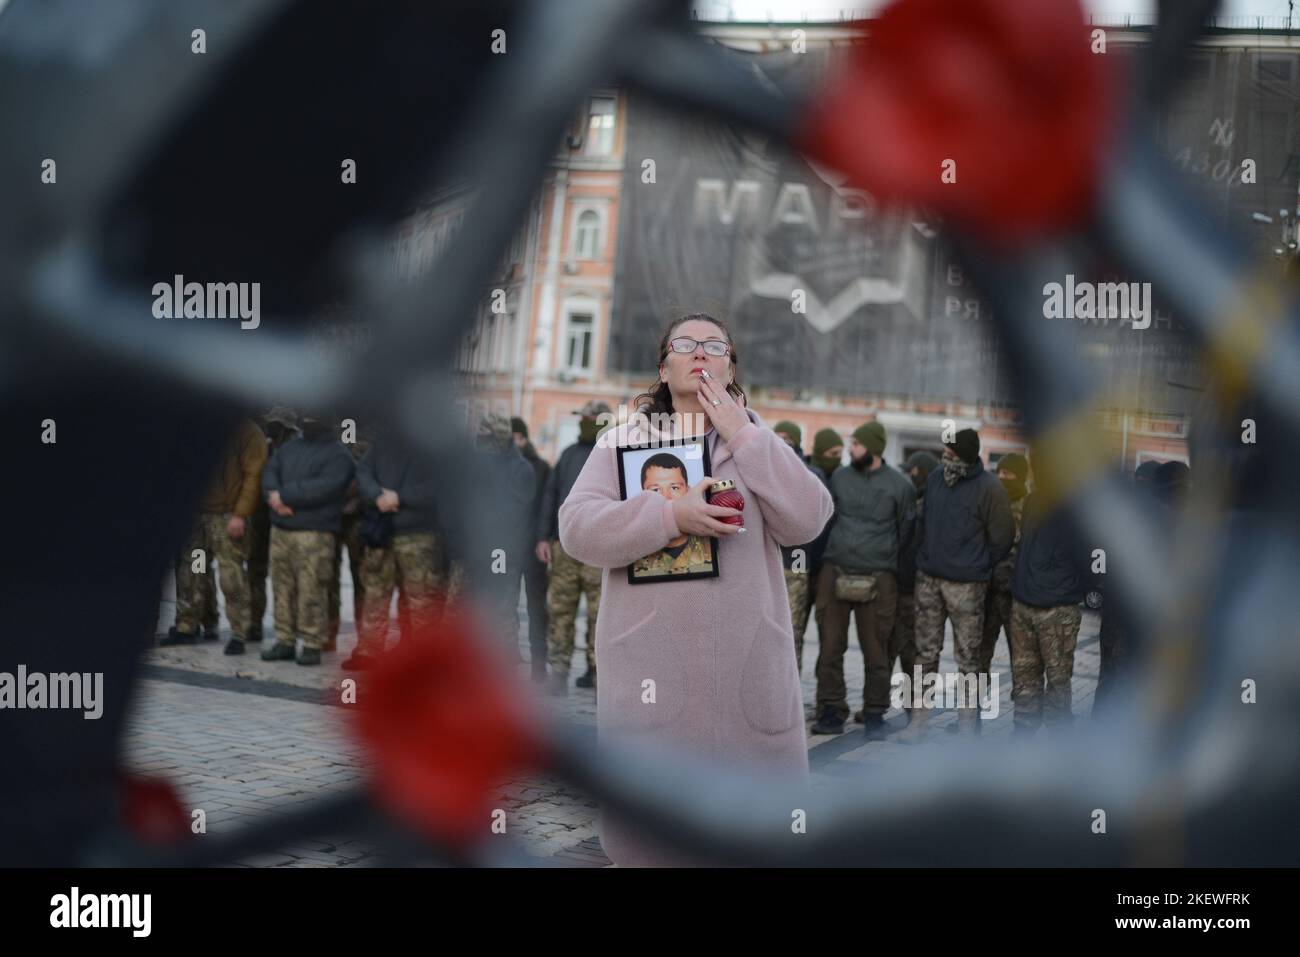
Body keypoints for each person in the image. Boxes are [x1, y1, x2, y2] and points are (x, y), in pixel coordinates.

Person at [559, 312, 833, 867]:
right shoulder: (621, 443)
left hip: (748, 671)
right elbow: (577, 529)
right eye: (685, 344)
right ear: (664, 368)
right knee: (654, 842)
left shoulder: (757, 441)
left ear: (730, 367)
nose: (700, 352)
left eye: (714, 345)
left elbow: (809, 519)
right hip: (652, 673)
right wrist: (668, 514)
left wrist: (744, 435)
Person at [898, 428, 1013, 740]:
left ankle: (966, 729)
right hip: (929, 581)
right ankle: (918, 722)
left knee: (968, 659)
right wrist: (925, 556)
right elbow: (922, 522)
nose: (945, 457)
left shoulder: (990, 488)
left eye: (951, 453)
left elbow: (1002, 537)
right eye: (944, 453)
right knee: (923, 654)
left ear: (966, 455)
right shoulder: (936, 478)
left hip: (968, 586)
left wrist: (977, 564)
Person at [811, 421, 915, 738]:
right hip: (835, 570)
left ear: (872, 448)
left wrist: (894, 573)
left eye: (855, 444)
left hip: (879, 576)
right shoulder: (839, 478)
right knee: (830, 648)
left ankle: (874, 714)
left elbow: (906, 533)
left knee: (876, 651)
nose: (850, 449)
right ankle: (831, 710)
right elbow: (824, 520)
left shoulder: (900, 486)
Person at [162, 419, 267, 655]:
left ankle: (239, 632)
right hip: (199, 518)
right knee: (194, 571)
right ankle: (187, 626)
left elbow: (253, 476)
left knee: (231, 577)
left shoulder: (249, 433)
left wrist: (240, 514)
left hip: (227, 518)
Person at [259, 413, 355, 665]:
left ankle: (312, 642)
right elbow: (270, 473)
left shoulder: (339, 455)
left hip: (315, 533)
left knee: (312, 588)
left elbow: (326, 487)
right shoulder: (289, 448)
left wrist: (284, 496)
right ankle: (285, 640)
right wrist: (273, 497)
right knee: (282, 587)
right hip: (282, 530)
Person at [344, 435, 442, 670]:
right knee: (375, 594)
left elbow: (437, 486)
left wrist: (399, 497)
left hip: (417, 535)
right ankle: (368, 651)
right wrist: (378, 496)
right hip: (382, 534)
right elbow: (363, 473)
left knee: (421, 598)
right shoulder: (382, 446)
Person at [1008, 465, 1091, 734]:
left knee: (1057, 681)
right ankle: (1023, 739)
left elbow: (1094, 559)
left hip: (1057, 609)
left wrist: (1074, 588)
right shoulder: (1033, 500)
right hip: (1024, 604)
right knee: (1024, 677)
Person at [537, 401, 610, 696]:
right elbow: (550, 498)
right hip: (564, 546)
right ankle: (559, 672)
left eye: (591, 418)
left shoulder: (612, 453)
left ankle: (596, 672)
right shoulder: (569, 454)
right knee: (561, 610)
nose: (585, 423)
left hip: (599, 546)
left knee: (599, 614)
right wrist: (543, 537)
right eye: (583, 418)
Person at [772, 421, 832, 675]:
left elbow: (819, 524)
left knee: (791, 634)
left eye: (788, 438)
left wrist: (810, 562)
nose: (782, 442)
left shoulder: (810, 474)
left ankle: (789, 692)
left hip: (796, 566)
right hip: (768, 563)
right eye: (778, 437)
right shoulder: (765, 466)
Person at [887, 450, 938, 721]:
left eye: (912, 471)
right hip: (905, 586)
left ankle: (914, 710)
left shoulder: (928, 505)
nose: (907, 475)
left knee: (913, 654)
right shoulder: (918, 500)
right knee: (896, 648)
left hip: (916, 589)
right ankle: (895, 705)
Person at [246, 407, 300, 644]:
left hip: (285, 514)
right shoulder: (259, 441)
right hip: (258, 513)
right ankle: (253, 623)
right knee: (255, 570)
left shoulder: (296, 447)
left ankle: (289, 625)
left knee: (287, 573)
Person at [978, 452, 1029, 676]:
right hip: (986, 590)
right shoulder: (989, 501)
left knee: (1021, 659)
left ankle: (1024, 707)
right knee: (978, 654)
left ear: (1019, 476)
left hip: (1014, 594)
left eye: (1007, 473)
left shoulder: (1030, 507)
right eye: (998, 472)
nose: (1001, 477)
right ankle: (973, 705)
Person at [629, 453, 714, 577]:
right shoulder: (633, 549)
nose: (666, 497)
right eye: (655, 490)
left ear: (689, 491)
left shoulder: (711, 544)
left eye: (674, 488)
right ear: (643, 495)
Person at [513, 416, 552, 682]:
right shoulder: (503, 466)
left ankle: (538, 666)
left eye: (515, 438)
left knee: (537, 609)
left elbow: (546, 507)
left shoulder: (541, 468)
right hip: (508, 549)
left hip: (533, 549)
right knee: (504, 606)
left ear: (523, 438)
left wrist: (543, 538)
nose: (512, 443)